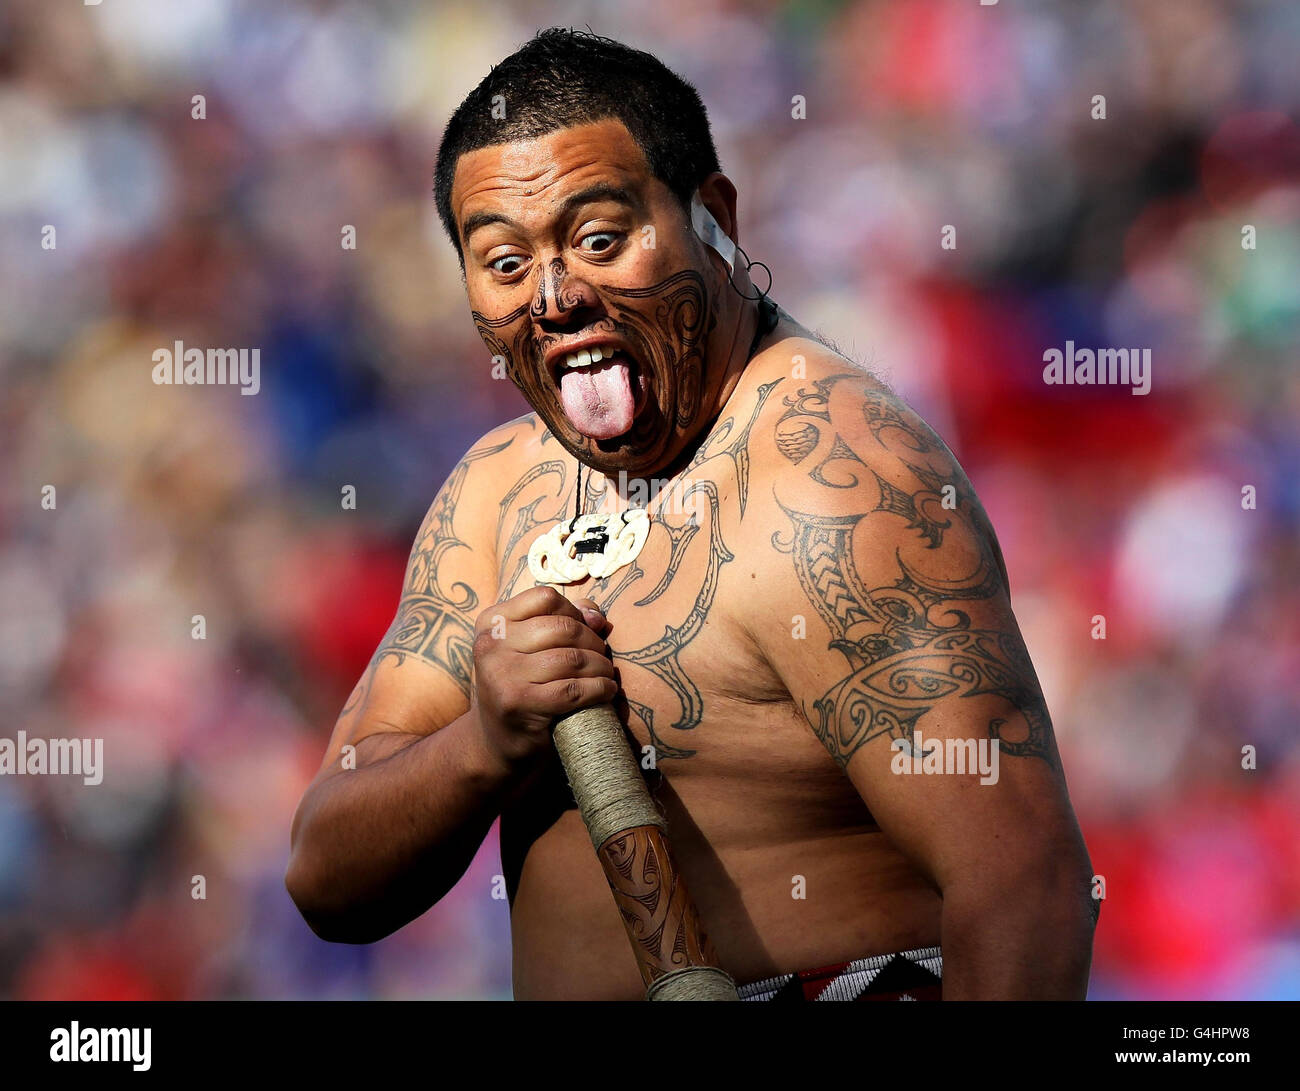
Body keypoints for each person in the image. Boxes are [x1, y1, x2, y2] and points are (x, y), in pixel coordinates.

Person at [285, 28, 1097, 1000]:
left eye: (597, 239)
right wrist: (482, 746)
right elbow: (326, 875)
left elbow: (1022, 882)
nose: (554, 297)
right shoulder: (497, 488)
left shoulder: (834, 478)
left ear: (712, 217)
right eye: (502, 262)